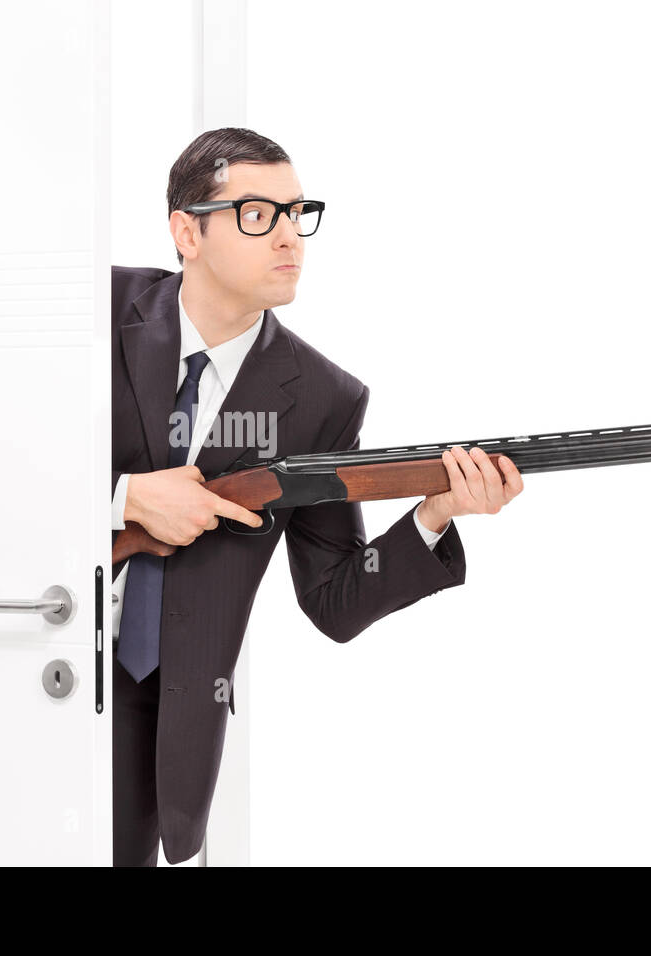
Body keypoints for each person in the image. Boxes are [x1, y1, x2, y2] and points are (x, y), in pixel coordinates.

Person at [110, 128, 523, 866]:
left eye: (298, 213)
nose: (289, 236)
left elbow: (335, 601)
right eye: (257, 214)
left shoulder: (324, 398)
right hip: (28, 660)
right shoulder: (96, 309)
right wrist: (125, 501)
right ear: (186, 231)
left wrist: (434, 514)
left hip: (160, 722)